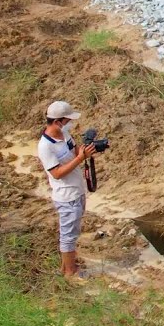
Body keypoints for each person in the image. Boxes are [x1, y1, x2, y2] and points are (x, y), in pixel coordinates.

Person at [37, 101, 97, 278]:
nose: (70, 123)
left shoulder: (64, 134)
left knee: (73, 231)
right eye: (67, 120)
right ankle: (71, 272)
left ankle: (66, 267)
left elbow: (75, 150)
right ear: (57, 121)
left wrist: (86, 151)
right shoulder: (45, 146)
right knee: (68, 235)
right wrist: (80, 159)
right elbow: (56, 173)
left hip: (77, 191)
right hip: (66, 196)